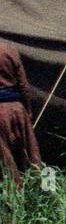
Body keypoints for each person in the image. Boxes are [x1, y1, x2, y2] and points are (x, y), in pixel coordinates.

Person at [0, 39, 42, 185]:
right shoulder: (9, 49)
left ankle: (15, 197)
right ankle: (39, 190)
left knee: (5, 159)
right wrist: (28, 111)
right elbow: (23, 85)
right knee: (30, 153)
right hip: (17, 109)